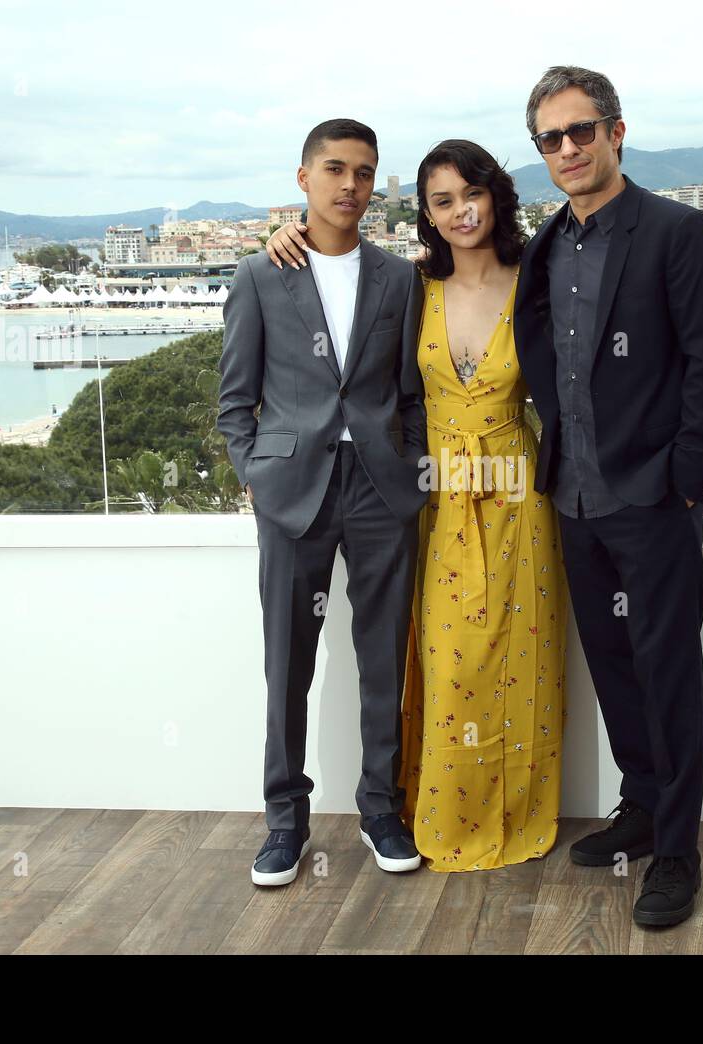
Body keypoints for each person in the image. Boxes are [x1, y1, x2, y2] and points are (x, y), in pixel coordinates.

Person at [266, 140, 569, 872]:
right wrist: (284, 232)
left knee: (521, 662)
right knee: (445, 662)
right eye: (442, 200)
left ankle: (517, 810)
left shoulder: (539, 282)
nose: (461, 210)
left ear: (495, 195)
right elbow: (359, 352)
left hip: (518, 497)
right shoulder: (412, 286)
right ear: (427, 215)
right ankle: (425, 810)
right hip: (431, 502)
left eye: (473, 192)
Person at [513, 66, 703, 927]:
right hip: (571, 498)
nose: (567, 149)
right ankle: (640, 810)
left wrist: (685, 481)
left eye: (580, 132)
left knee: (668, 671)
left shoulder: (678, 232)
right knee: (612, 665)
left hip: (653, 501)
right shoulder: (546, 243)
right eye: (550, 140)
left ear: (615, 132)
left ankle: (677, 851)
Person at [217, 118, 429, 887]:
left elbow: (410, 397)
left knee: (383, 658)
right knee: (288, 663)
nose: (350, 185)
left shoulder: (398, 278)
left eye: (365, 173)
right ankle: (284, 821)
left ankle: (381, 807)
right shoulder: (260, 275)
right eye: (335, 169)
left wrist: (412, 469)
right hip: (292, 491)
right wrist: (258, 473)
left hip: (379, 489)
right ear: (303, 178)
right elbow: (234, 400)